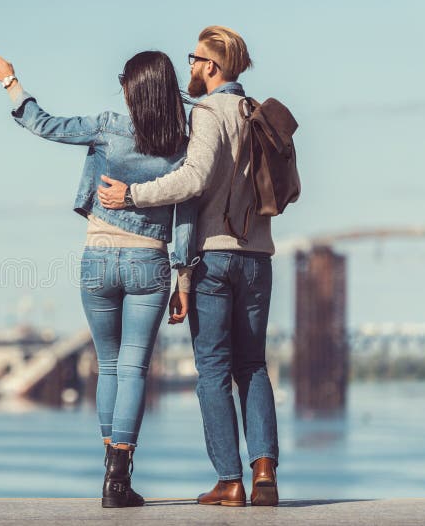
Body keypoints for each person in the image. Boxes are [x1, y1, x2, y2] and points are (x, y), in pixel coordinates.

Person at [0, 48, 199, 508]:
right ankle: (119, 479)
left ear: (133, 88)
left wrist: (10, 83)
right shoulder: (183, 144)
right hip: (150, 261)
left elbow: (44, 124)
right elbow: (186, 212)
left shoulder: (107, 126)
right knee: (134, 367)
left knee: (108, 364)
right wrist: (183, 277)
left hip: (97, 257)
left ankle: (108, 469)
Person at [98, 25, 281, 507]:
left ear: (213, 66)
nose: (191, 68)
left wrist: (131, 194)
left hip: (215, 258)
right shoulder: (255, 113)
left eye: (196, 60)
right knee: (254, 366)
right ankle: (265, 471)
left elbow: (193, 179)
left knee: (214, 371)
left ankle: (230, 480)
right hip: (259, 258)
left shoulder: (208, 112)